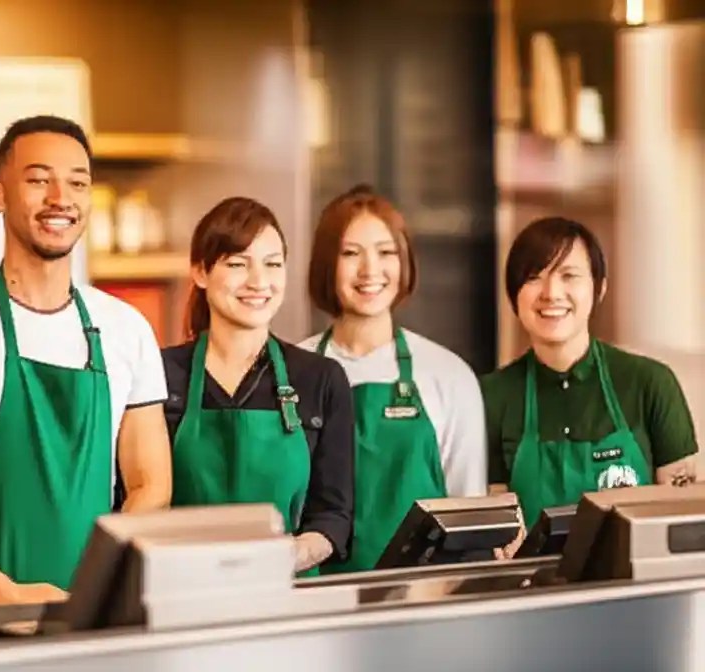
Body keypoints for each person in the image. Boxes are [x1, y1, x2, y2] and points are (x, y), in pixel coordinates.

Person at [0, 115, 172, 629]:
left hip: (90, 617)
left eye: (77, 182)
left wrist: (92, 589)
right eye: (38, 179)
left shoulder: (126, 328)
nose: (60, 197)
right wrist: (2, 594)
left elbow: (150, 483)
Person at [298, 184, 488, 573]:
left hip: (421, 604)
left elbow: (470, 516)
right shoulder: (294, 372)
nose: (370, 270)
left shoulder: (448, 376)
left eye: (386, 253)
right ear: (325, 265)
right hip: (314, 604)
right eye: (351, 253)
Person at [163, 197, 354, 573]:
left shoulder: (320, 379)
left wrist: (283, 558)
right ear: (200, 272)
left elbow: (333, 517)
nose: (259, 282)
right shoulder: (159, 374)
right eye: (237, 264)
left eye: (273, 264)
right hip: (184, 593)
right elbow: (132, 500)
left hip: (290, 601)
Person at [481, 217, 698, 527]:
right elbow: (495, 522)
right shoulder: (491, 396)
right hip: (531, 576)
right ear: (514, 294)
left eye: (569, 275)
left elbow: (681, 518)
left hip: (637, 575)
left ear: (600, 287)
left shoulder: (650, 383)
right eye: (533, 277)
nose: (551, 292)